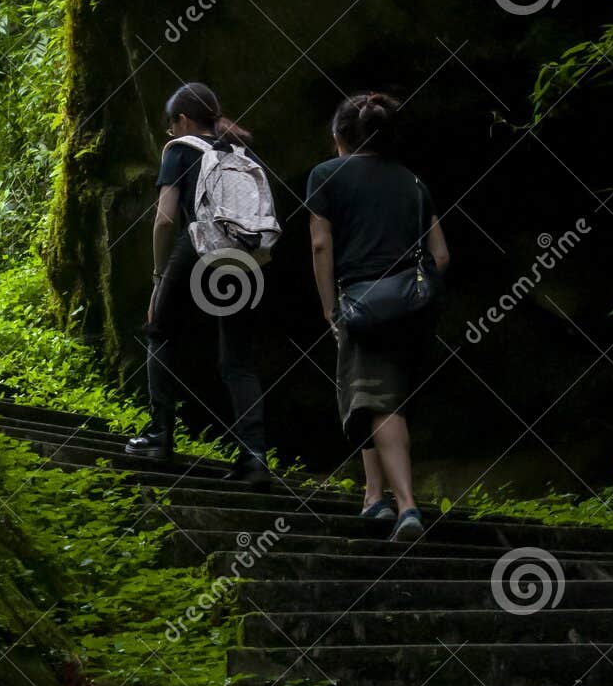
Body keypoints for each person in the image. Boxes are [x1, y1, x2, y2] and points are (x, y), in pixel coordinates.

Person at [305, 92, 450, 541]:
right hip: (412, 310)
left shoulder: (326, 176)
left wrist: (331, 308)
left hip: (363, 307)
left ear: (340, 138)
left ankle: (407, 507)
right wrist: (410, 291)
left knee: (380, 404)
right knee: (376, 398)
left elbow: (320, 245)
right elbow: (441, 254)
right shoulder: (413, 182)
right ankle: (374, 497)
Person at [125, 82, 272, 487]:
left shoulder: (180, 149)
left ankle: (159, 435)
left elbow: (166, 219)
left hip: (200, 245)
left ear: (183, 120)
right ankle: (254, 457)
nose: (169, 134)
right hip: (243, 257)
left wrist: (158, 279)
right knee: (238, 358)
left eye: (170, 125)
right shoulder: (242, 153)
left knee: (160, 332)